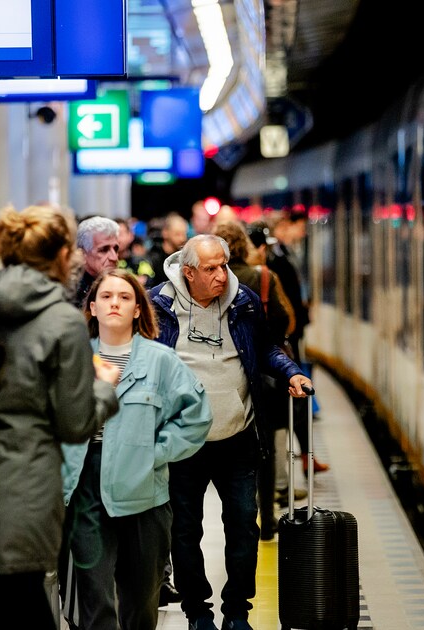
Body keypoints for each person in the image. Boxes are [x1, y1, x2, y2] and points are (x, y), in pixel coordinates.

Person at [0, 204, 121, 630]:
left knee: (0, 601)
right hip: (29, 483)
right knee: (24, 601)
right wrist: (104, 385)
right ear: (62, 256)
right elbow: (75, 423)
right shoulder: (62, 321)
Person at [150, 235, 311, 630]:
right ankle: (198, 612)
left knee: (243, 524)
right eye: (211, 269)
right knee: (185, 531)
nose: (222, 275)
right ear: (188, 272)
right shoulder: (158, 305)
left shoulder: (244, 302)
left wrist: (291, 371)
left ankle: (237, 611)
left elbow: (266, 349)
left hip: (237, 435)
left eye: (223, 265)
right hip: (181, 440)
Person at [62, 270, 212, 630]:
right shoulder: (75, 359)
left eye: (125, 297)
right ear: (93, 308)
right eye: (107, 296)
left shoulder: (161, 361)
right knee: (93, 597)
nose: (115, 302)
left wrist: (154, 453)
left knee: (142, 598)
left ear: (137, 310)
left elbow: (197, 418)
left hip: (144, 493)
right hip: (86, 488)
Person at [212, 221, 299, 539]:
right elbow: (285, 319)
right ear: (244, 245)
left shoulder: (208, 285)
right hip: (264, 377)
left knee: (234, 456)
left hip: (228, 381)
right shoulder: (262, 277)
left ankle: (238, 515)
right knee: (267, 448)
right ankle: (268, 516)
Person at [267, 211, 328, 473]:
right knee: (294, 400)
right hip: (284, 339)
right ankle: (302, 460)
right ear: (282, 227)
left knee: (298, 393)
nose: (302, 233)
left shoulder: (283, 255)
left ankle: (304, 458)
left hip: (290, 334)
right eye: (298, 227)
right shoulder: (276, 259)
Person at [72, 216, 121, 307]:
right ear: (82, 254)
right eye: (103, 250)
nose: (114, 258)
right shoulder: (71, 293)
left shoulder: (124, 286)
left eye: (116, 249)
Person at [146, 213, 190, 287]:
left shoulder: (186, 257)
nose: (183, 238)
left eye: (184, 234)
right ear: (165, 233)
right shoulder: (152, 258)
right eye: (177, 234)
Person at [115, 217, 156, 282]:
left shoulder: (140, 261)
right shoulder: (106, 262)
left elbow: (148, 280)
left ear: (130, 236)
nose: (118, 239)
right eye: (114, 234)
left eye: (121, 234)